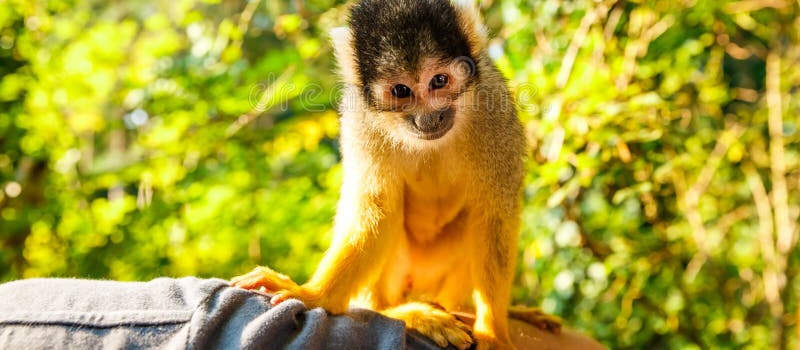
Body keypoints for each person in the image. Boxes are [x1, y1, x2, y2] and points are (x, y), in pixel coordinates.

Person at [0, 277, 603, 349]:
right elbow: (366, 218)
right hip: (392, 301)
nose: (424, 107)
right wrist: (323, 291)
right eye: (400, 92)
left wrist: (493, 317)